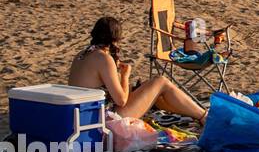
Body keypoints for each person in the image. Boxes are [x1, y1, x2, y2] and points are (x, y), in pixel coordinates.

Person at [68, 16, 208, 123]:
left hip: (81, 117)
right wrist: (125, 76)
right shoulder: (103, 58)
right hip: (103, 120)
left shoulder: (81, 55)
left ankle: (196, 115)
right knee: (161, 81)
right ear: (115, 38)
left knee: (154, 91)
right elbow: (121, 101)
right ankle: (204, 116)